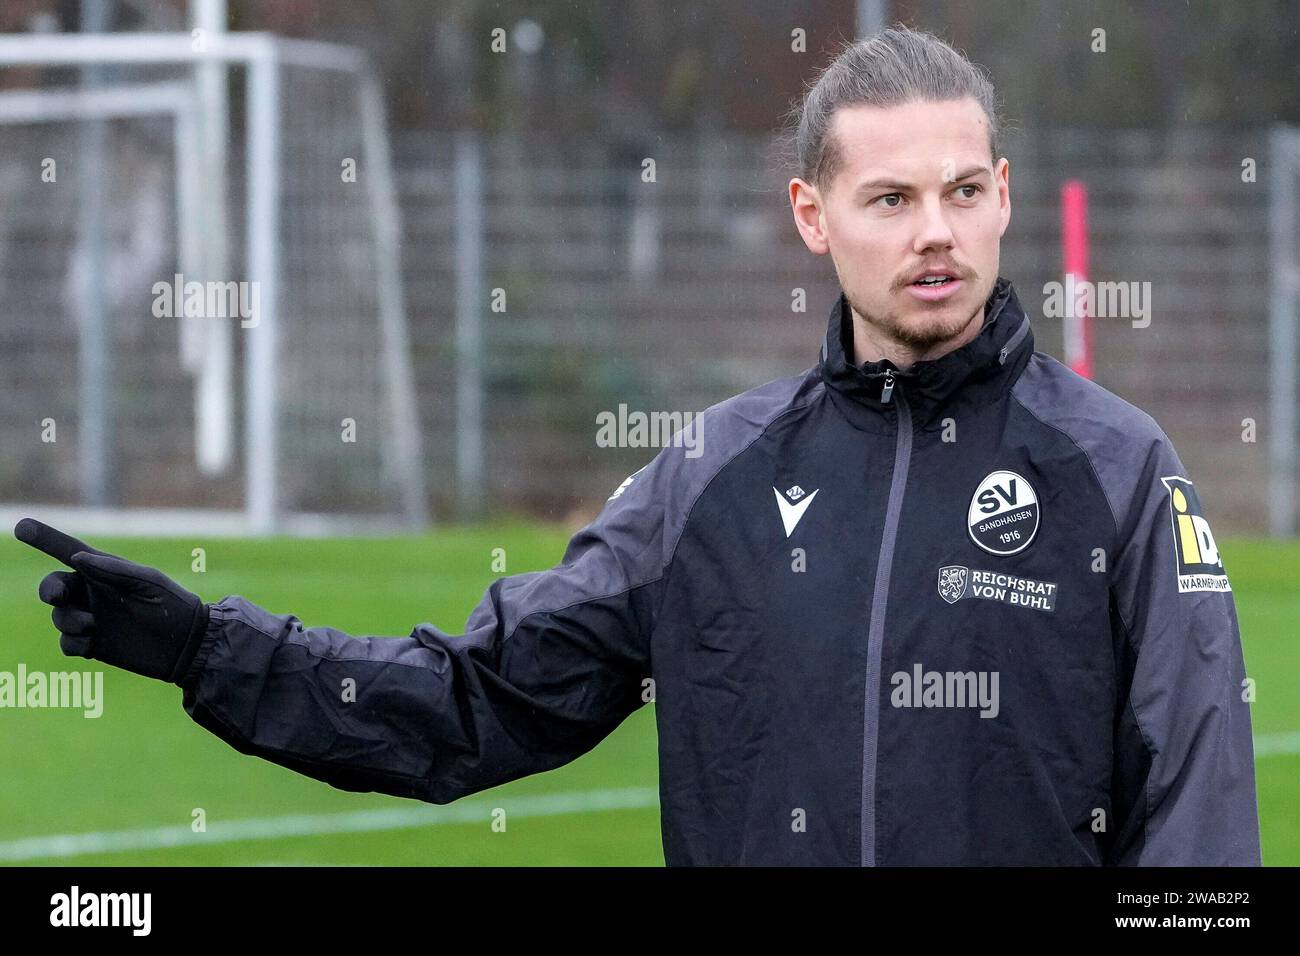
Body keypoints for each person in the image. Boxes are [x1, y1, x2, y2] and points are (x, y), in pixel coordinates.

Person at [16, 26, 1260, 866]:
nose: (934, 231)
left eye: (961, 191)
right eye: (890, 199)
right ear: (811, 216)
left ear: (1001, 189)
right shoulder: (712, 475)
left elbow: (1199, 819)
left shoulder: (1120, 471)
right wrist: (205, 649)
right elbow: (474, 703)